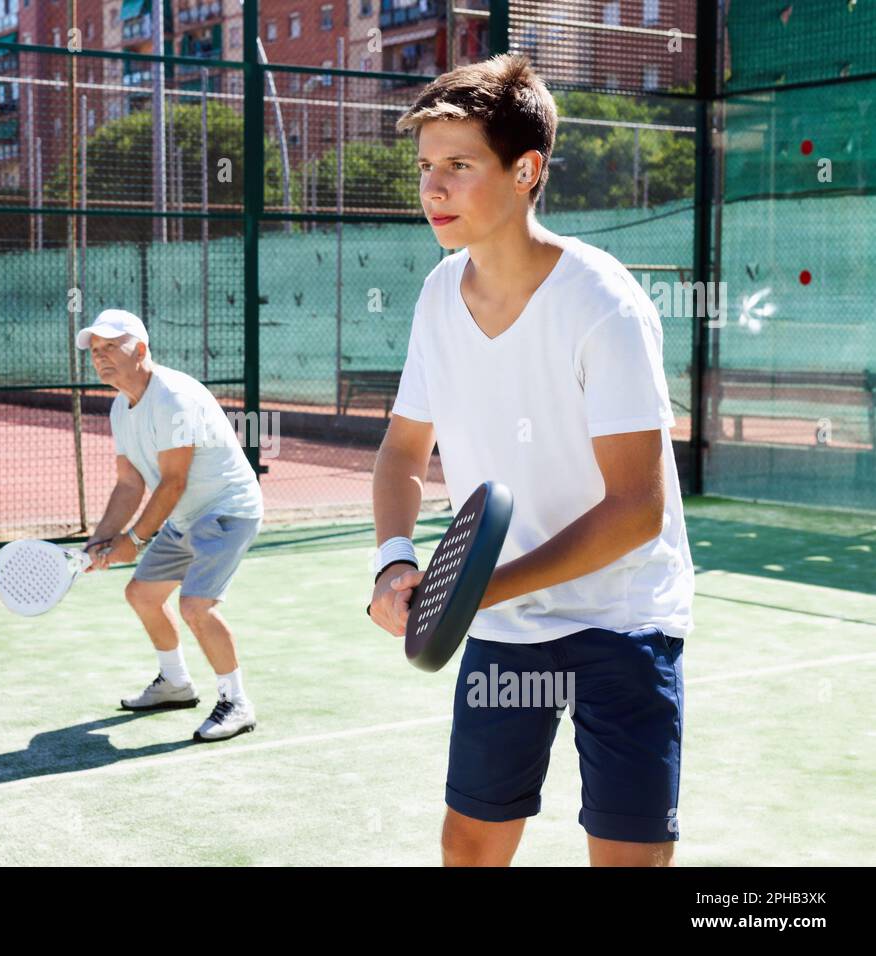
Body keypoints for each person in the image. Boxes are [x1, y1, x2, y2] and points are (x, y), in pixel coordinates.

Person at [368, 54, 694, 866]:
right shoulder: (439, 297)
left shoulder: (602, 304)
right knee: (471, 847)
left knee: (627, 857)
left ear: (526, 171)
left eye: (459, 166)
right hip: (507, 630)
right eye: (425, 168)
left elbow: (634, 512)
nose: (432, 188)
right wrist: (394, 562)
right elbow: (404, 447)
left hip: (622, 625)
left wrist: (466, 594)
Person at [78, 309, 265, 742]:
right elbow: (129, 483)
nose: (101, 357)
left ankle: (237, 701)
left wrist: (135, 540)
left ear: (140, 350)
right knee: (142, 594)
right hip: (186, 514)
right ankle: (175, 683)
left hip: (226, 510)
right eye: (96, 351)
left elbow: (173, 480)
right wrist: (101, 539)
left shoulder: (174, 397)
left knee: (196, 605)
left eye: (111, 347)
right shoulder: (120, 407)